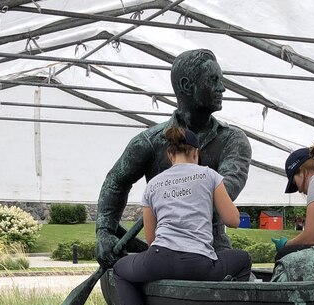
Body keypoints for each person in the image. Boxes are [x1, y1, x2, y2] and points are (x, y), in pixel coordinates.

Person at [95, 48, 252, 268]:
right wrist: (105, 231)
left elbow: (229, 188)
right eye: (213, 80)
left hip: (212, 249)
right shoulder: (148, 141)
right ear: (188, 86)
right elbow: (116, 182)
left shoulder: (233, 140)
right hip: (164, 251)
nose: (222, 88)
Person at [112, 126, 250, 305]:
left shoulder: (153, 185)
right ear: (196, 153)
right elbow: (233, 220)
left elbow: (150, 238)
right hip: (201, 265)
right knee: (243, 259)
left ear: (169, 154)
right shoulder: (209, 175)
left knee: (119, 269)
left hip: (159, 261)